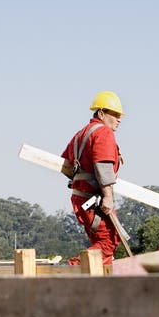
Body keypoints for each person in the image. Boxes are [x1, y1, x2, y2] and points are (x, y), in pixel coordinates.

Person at [61, 91, 124, 265]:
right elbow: (103, 166)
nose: (119, 119)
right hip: (92, 200)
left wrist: (82, 181)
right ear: (101, 113)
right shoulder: (103, 132)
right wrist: (108, 196)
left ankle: (100, 286)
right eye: (115, 114)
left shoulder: (81, 134)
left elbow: (65, 165)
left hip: (81, 198)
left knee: (102, 246)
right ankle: (68, 271)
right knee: (107, 242)